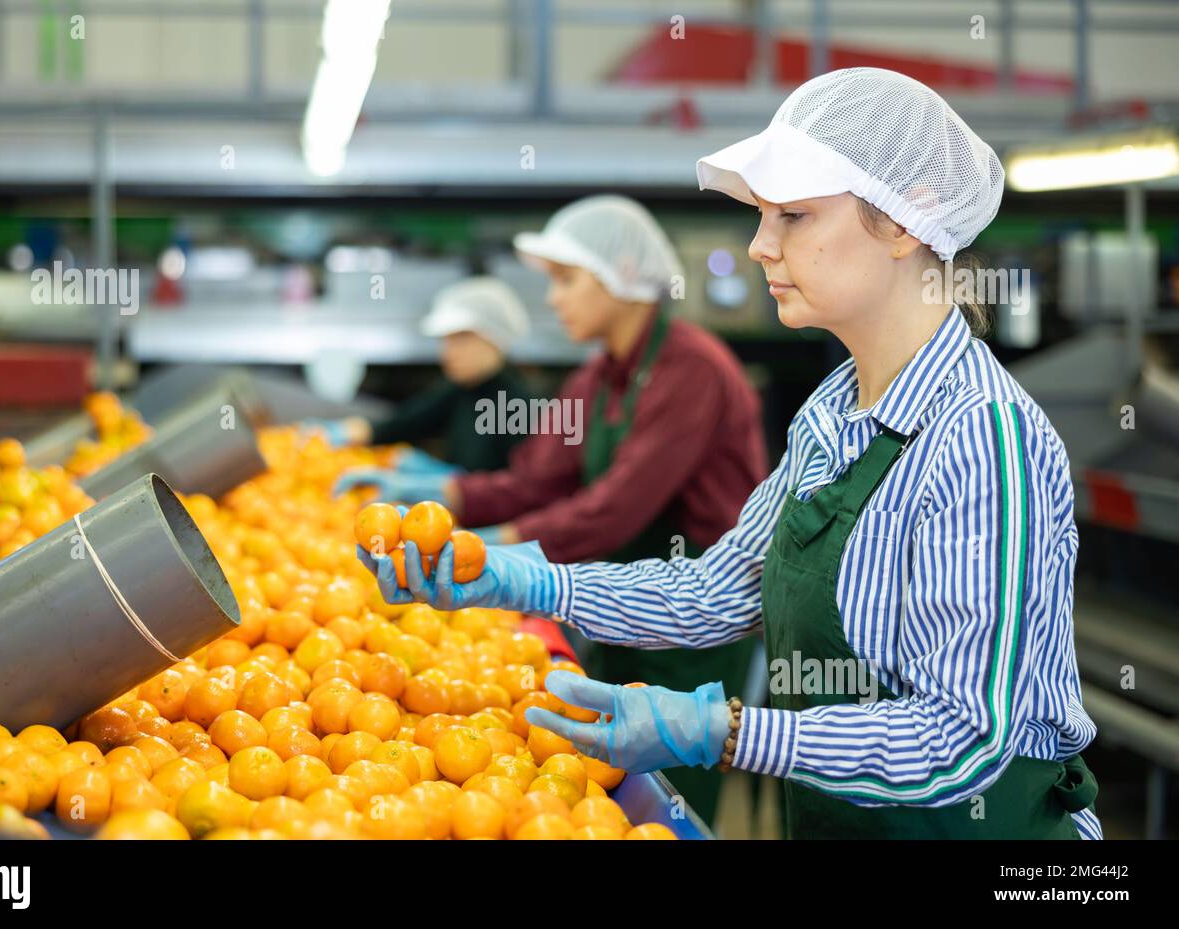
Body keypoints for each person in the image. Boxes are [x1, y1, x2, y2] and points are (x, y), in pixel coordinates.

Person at [356, 68, 1102, 839]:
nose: (758, 245)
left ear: (908, 220)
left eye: (793, 216)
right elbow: (718, 588)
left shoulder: (984, 437)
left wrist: (728, 730)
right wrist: (529, 581)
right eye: (761, 217)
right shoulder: (830, 413)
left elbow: (961, 742)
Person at [339, 193, 771, 825]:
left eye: (566, 280)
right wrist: (442, 495)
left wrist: (498, 550)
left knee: (666, 810)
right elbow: (534, 478)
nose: (552, 299)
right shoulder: (596, 379)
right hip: (614, 603)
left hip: (693, 625)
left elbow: (612, 511)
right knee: (605, 788)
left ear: (622, 277)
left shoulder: (693, 371)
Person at [308, 276, 536, 474]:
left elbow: (520, 489)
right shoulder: (460, 389)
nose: (447, 353)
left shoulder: (518, 406)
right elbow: (404, 423)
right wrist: (343, 432)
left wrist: (451, 482)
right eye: (444, 341)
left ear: (494, 339)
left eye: (460, 340)